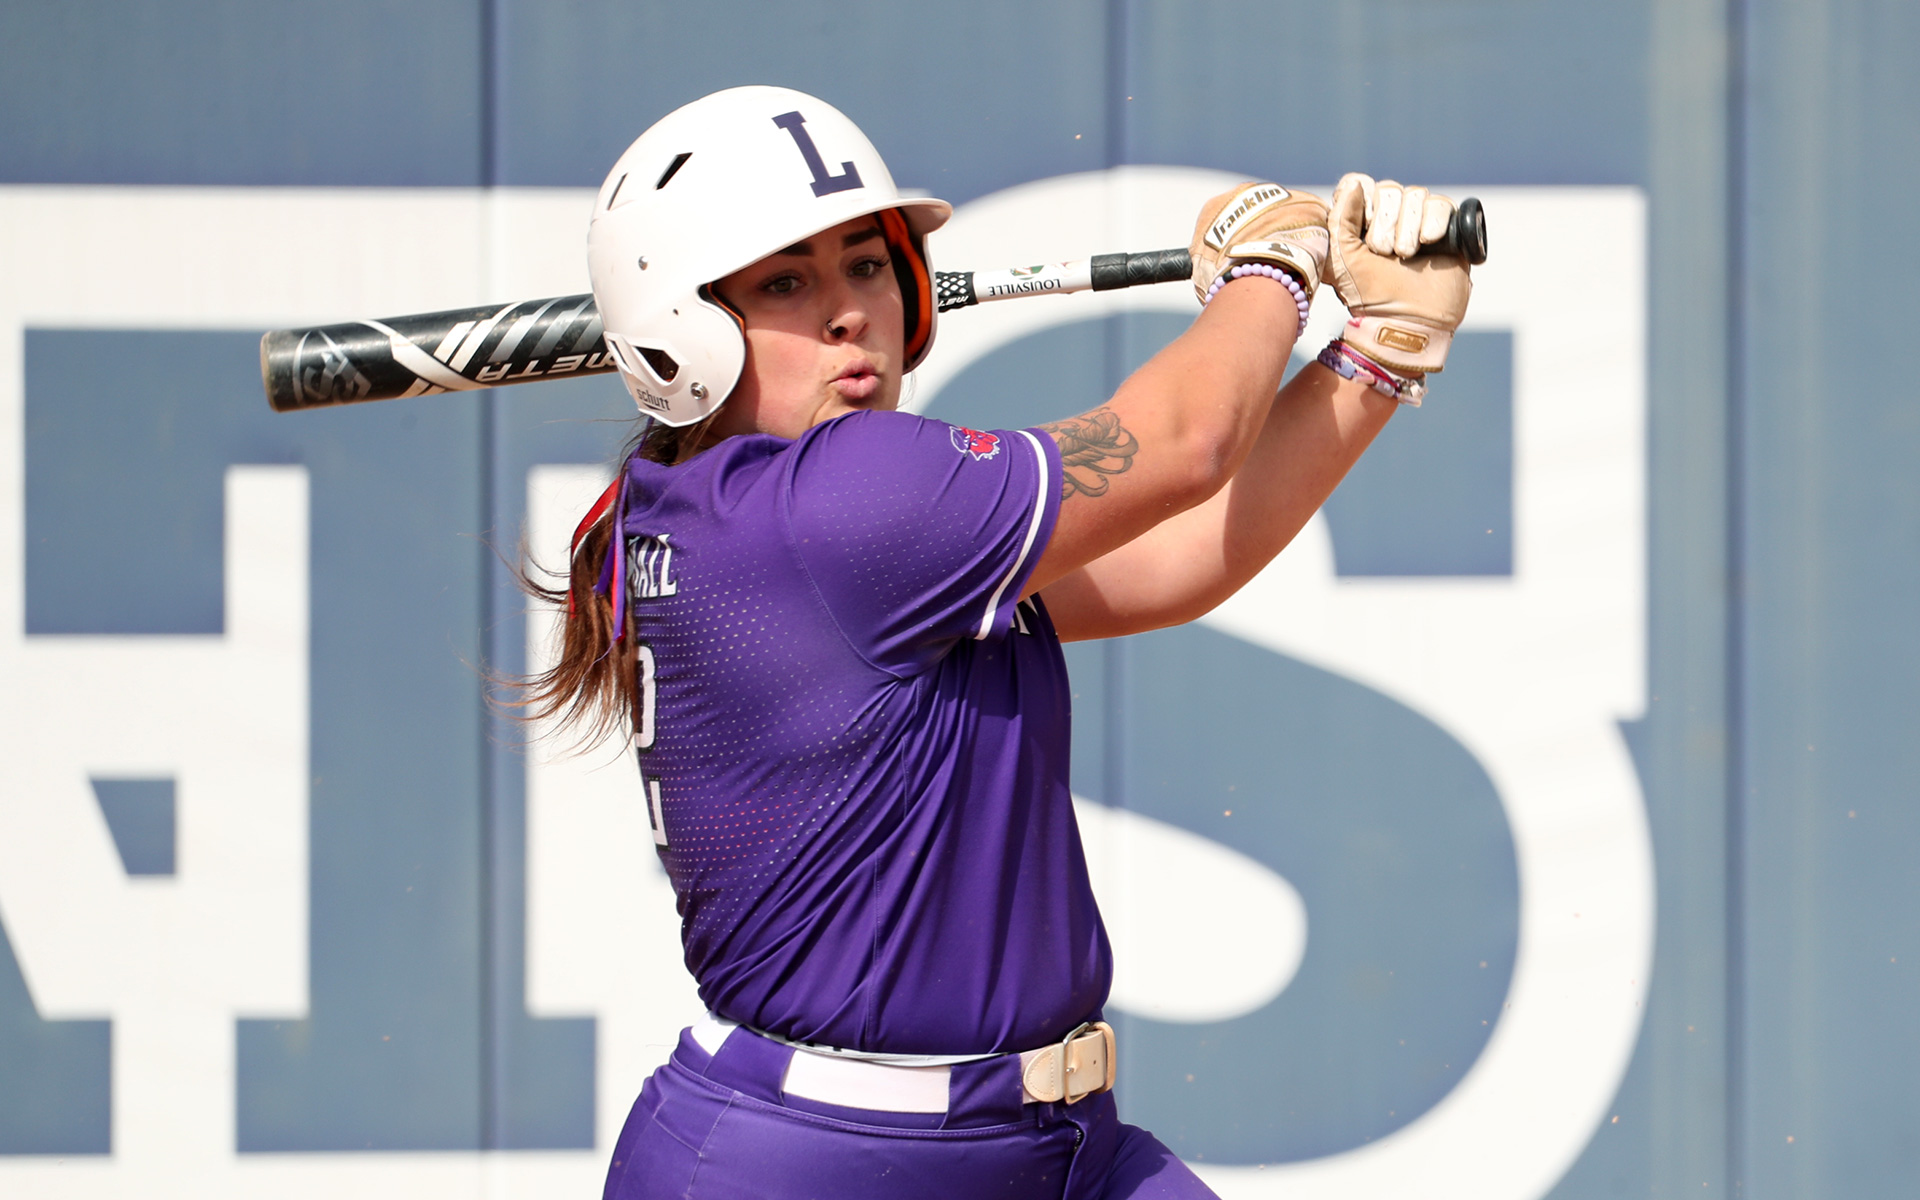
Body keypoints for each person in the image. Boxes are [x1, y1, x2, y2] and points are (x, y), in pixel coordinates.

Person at [521, 86, 1471, 1200]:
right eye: (786, 282)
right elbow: (1185, 440)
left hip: (1049, 1148)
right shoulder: (835, 506)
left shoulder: (746, 509)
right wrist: (1271, 268)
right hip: (826, 1165)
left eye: (866, 266)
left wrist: (1379, 351)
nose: (848, 314)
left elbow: (1182, 558)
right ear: (679, 327)